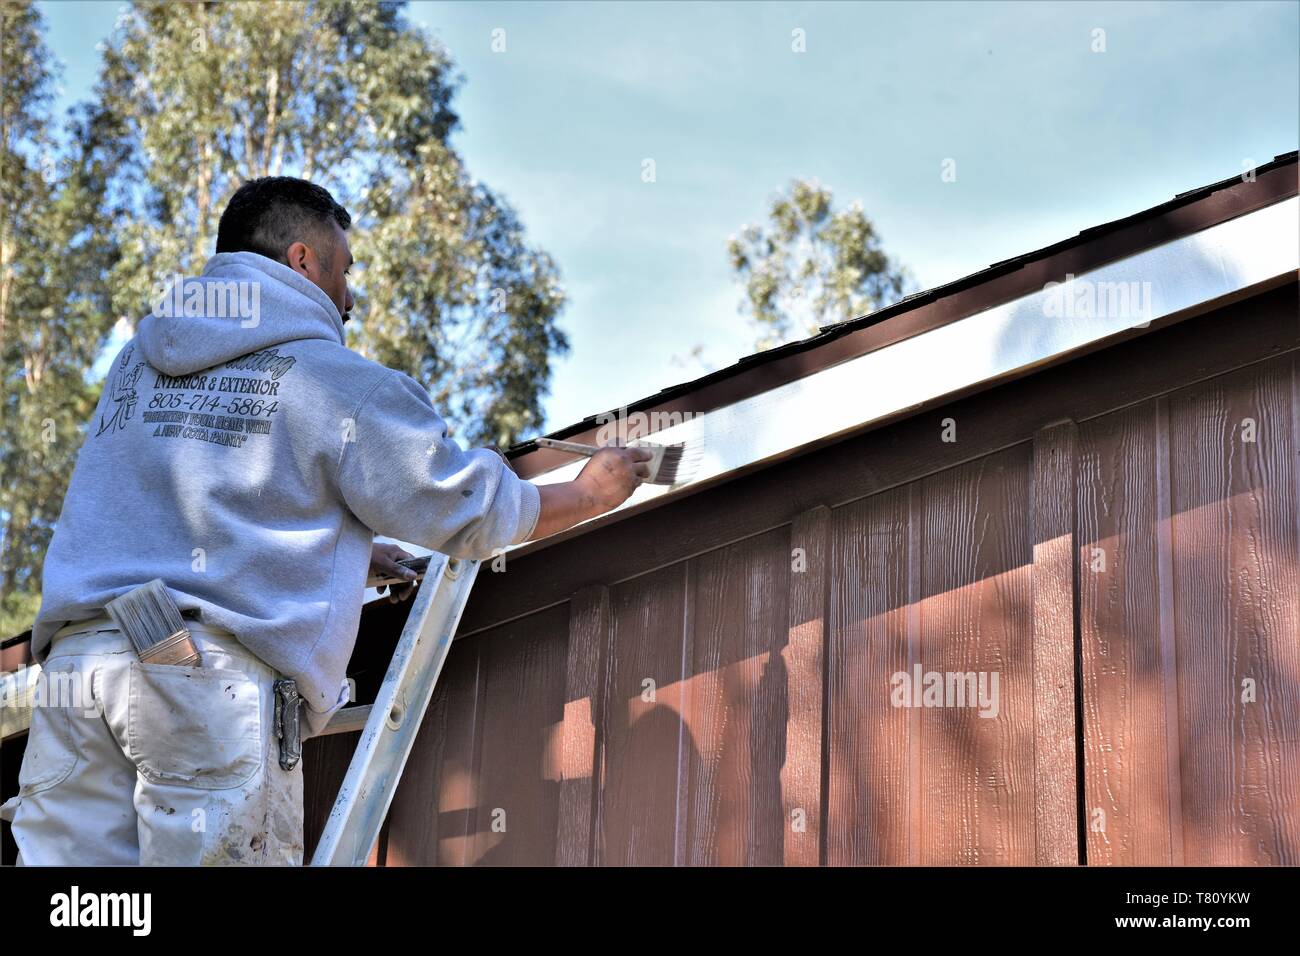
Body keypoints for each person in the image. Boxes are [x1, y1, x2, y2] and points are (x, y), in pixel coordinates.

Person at [0, 176, 649, 865]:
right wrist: (587, 495)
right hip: (198, 676)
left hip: (80, 668)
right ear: (303, 260)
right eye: (346, 268)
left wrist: (334, 544)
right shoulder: (331, 379)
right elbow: (456, 502)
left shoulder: (136, 364)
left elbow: (168, 499)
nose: (351, 296)